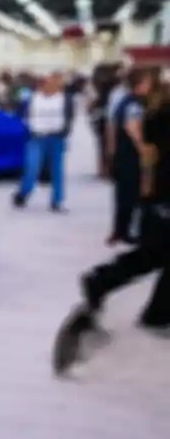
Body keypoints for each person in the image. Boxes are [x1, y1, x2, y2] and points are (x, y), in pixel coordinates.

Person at [58, 73, 170, 374]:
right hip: (163, 197)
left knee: (153, 255)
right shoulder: (160, 115)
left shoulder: (155, 112)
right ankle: (152, 313)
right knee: (154, 255)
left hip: (157, 197)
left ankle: (107, 284)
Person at [13, 71, 73, 212]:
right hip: (37, 136)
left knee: (57, 170)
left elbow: (69, 116)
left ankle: (57, 201)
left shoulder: (65, 99)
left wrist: (64, 132)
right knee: (32, 167)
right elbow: (21, 113)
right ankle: (23, 192)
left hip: (56, 137)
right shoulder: (33, 98)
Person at [108, 69, 152, 245]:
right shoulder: (134, 104)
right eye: (147, 83)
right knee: (131, 193)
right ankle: (126, 231)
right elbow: (132, 127)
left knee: (122, 194)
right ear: (139, 84)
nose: (149, 86)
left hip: (121, 153)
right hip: (130, 155)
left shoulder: (123, 101)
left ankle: (119, 229)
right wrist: (143, 148)